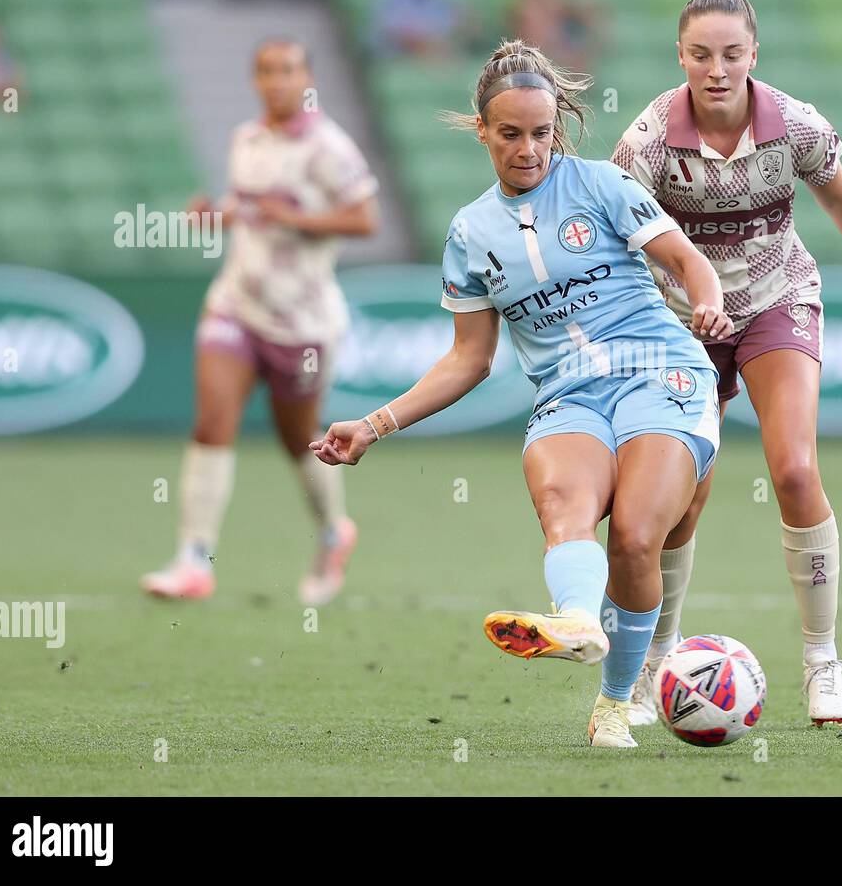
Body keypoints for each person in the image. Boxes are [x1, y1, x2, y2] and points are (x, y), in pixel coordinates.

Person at [309, 39, 733, 748]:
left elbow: (687, 262)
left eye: (541, 133)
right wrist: (374, 425)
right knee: (565, 507)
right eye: (510, 134)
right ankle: (574, 620)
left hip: (660, 372)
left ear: (555, 127)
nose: (528, 149)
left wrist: (710, 301)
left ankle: (613, 702)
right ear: (483, 131)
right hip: (568, 396)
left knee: (634, 535)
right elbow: (468, 361)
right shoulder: (470, 233)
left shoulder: (601, 185)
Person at [612, 0, 842, 728]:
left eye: (730, 54)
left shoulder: (796, 126)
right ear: (680, 57)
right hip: (681, 321)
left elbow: (839, 198)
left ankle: (822, 661)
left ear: (754, 53)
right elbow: (624, 243)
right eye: (700, 55)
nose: (716, 69)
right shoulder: (647, 142)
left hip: (775, 299)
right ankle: (656, 659)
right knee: (680, 502)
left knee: (792, 467)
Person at [141, 38, 380, 606]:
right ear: (255, 79)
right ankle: (194, 560)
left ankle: (332, 533)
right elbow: (246, 208)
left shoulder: (329, 148)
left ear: (307, 77)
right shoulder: (246, 140)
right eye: (267, 71)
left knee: (300, 438)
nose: (277, 80)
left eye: (288, 70)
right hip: (237, 306)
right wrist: (215, 217)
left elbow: (365, 218)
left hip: (302, 323)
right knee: (212, 424)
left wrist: (297, 218)